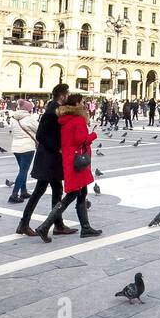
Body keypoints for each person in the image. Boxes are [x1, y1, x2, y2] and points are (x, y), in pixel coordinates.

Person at [34, 94, 101, 240]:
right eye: (82, 102)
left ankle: (86, 227)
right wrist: (94, 134)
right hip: (77, 162)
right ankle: (45, 226)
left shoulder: (65, 119)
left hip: (71, 159)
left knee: (82, 193)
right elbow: (81, 140)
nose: (84, 104)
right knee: (72, 195)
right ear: (77, 104)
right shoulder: (78, 120)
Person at [18, 83, 77, 238]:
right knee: (42, 191)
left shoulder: (54, 109)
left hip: (50, 159)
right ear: (62, 95)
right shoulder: (52, 112)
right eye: (67, 93)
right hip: (49, 159)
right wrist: (57, 148)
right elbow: (41, 135)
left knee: (52, 190)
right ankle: (29, 224)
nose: (68, 96)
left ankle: (55, 224)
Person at [8, 110, 37, 203]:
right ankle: (14, 195)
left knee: (22, 170)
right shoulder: (29, 119)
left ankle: (23, 191)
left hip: (16, 147)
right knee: (23, 171)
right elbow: (39, 129)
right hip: (27, 147)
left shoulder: (13, 119)